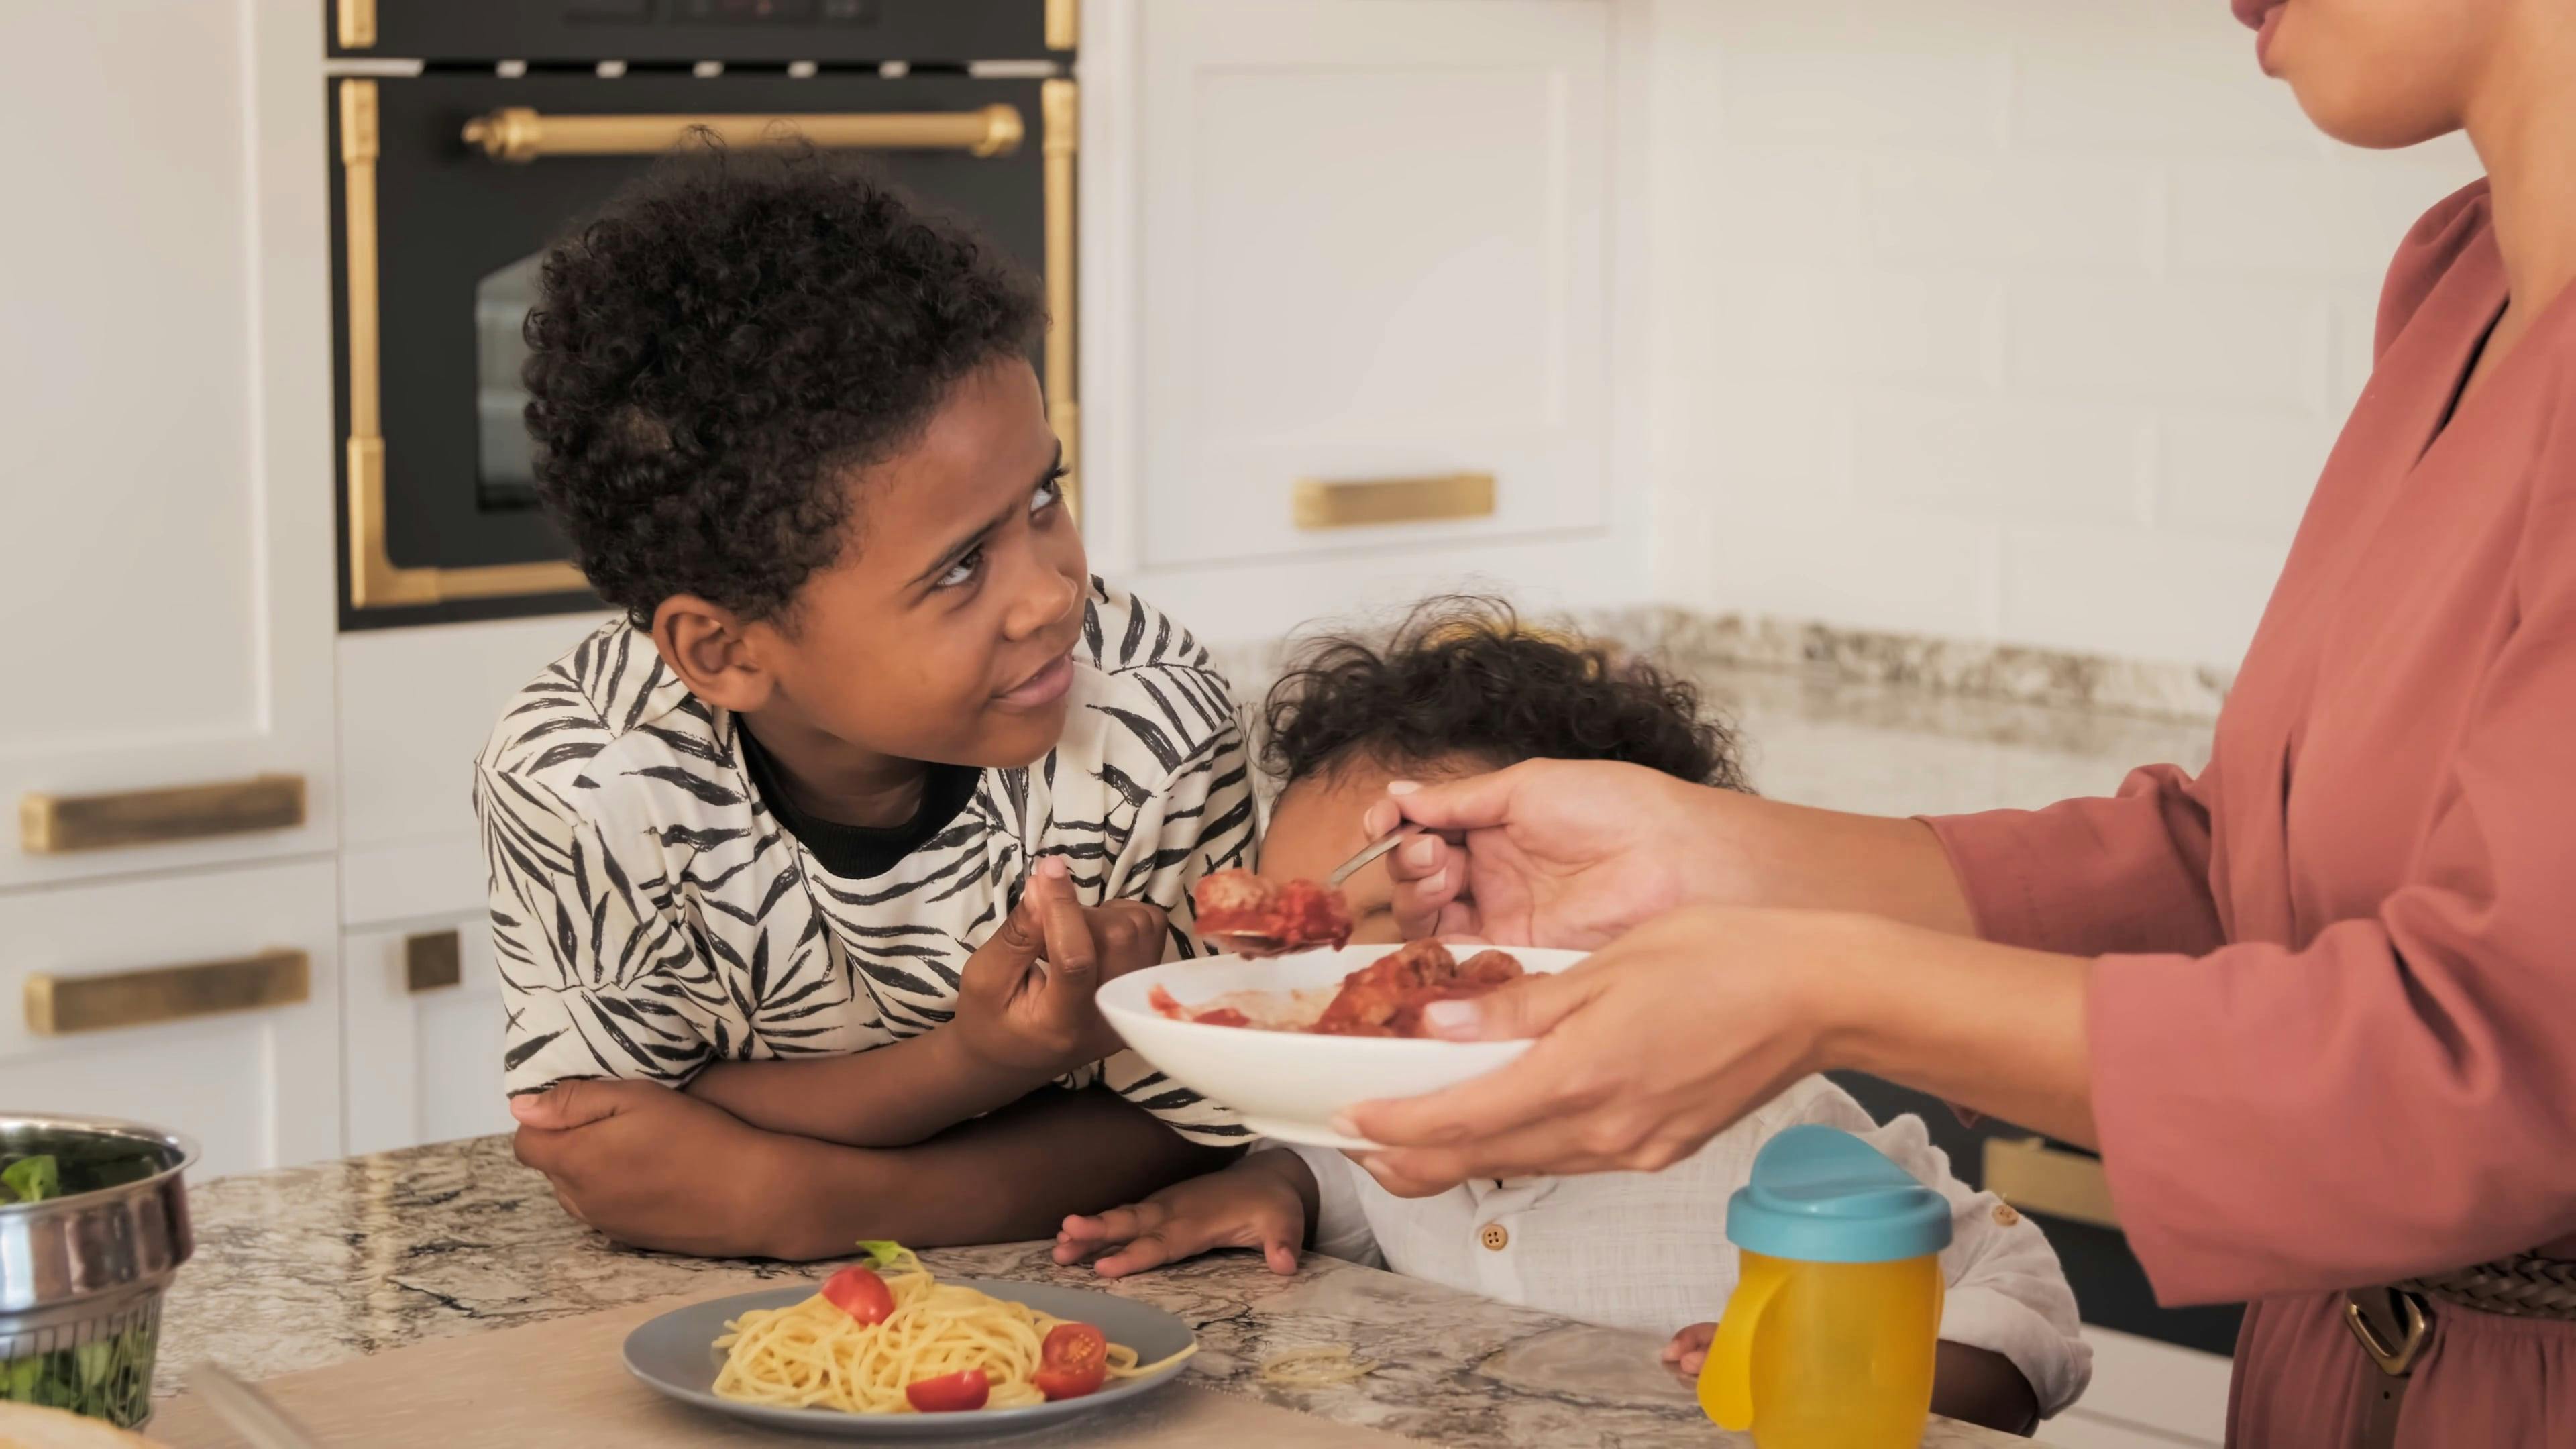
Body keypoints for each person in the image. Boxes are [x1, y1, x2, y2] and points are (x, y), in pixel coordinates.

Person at [1341, 2, 2576, 1444]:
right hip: (2340, 1378)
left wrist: (1820, 988)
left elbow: (2491, 1070)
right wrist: (1707, 858)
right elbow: (2256, 876)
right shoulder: (2460, 285)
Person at [476, 147, 1257, 1260]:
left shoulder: (1148, 719)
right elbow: (610, 1145)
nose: (1051, 594)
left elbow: (1205, 1120)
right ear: (725, 650)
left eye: (1044, 496)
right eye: (955, 569)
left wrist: (807, 1204)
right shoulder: (584, 773)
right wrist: (983, 1066)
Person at [1050, 604, 2090, 1436]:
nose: (1332, 1001)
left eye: (1402, 943)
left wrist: (1868, 1368)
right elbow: (1358, 1180)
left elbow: (2023, 1294)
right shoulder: (1391, 1118)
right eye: (1308, 959)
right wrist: (1275, 1186)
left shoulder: (1773, 1132)